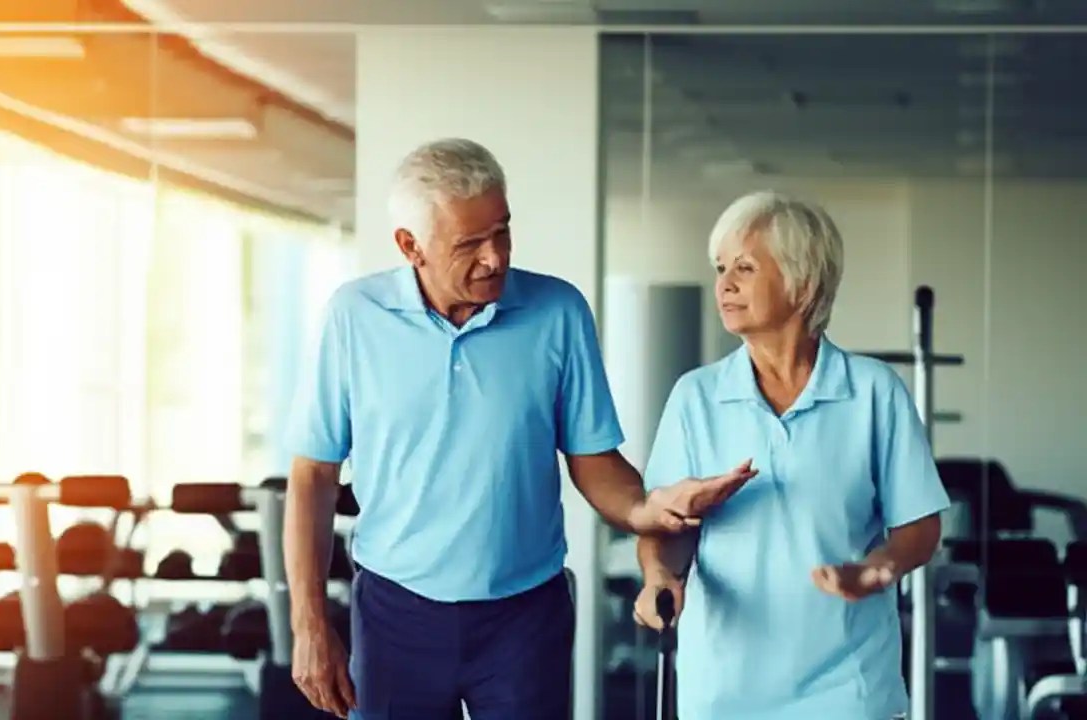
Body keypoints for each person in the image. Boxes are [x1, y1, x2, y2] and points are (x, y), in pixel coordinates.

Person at [282, 138, 756, 720]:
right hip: (396, 614)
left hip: (524, 618)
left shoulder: (558, 311)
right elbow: (313, 475)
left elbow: (592, 458)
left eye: (502, 231)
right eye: (469, 244)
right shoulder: (354, 316)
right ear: (410, 246)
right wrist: (308, 623)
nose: (495, 258)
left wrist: (646, 510)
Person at [633, 191, 951, 720]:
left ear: (803, 284)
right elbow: (665, 529)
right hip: (724, 692)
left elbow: (919, 525)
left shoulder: (874, 392)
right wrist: (659, 578)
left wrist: (877, 568)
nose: (724, 284)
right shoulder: (696, 397)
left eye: (745, 267)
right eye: (720, 268)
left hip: (849, 690)